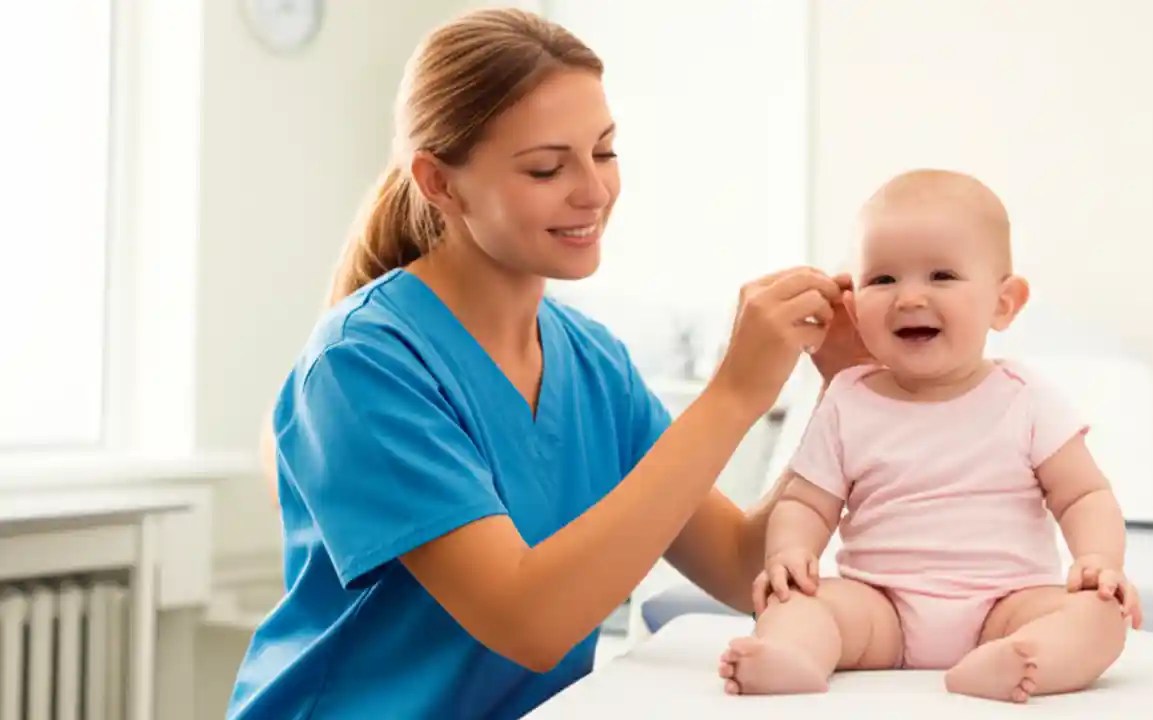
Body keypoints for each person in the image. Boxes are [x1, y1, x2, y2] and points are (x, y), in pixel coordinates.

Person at [226, 8, 866, 719]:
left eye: (605, 151)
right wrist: (734, 393)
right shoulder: (363, 366)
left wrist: (850, 389)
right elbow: (529, 622)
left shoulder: (592, 363)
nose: (593, 190)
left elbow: (743, 562)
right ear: (440, 183)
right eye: (546, 167)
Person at [718, 169, 1143, 702]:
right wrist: (790, 553)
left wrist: (1099, 561)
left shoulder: (1025, 396)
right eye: (882, 280)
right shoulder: (848, 399)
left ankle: (1026, 657)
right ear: (853, 306)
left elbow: (1084, 493)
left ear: (1003, 303)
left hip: (1006, 605)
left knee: (1100, 614)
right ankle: (794, 656)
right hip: (880, 607)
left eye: (941, 275)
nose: (910, 297)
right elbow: (807, 501)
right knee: (799, 601)